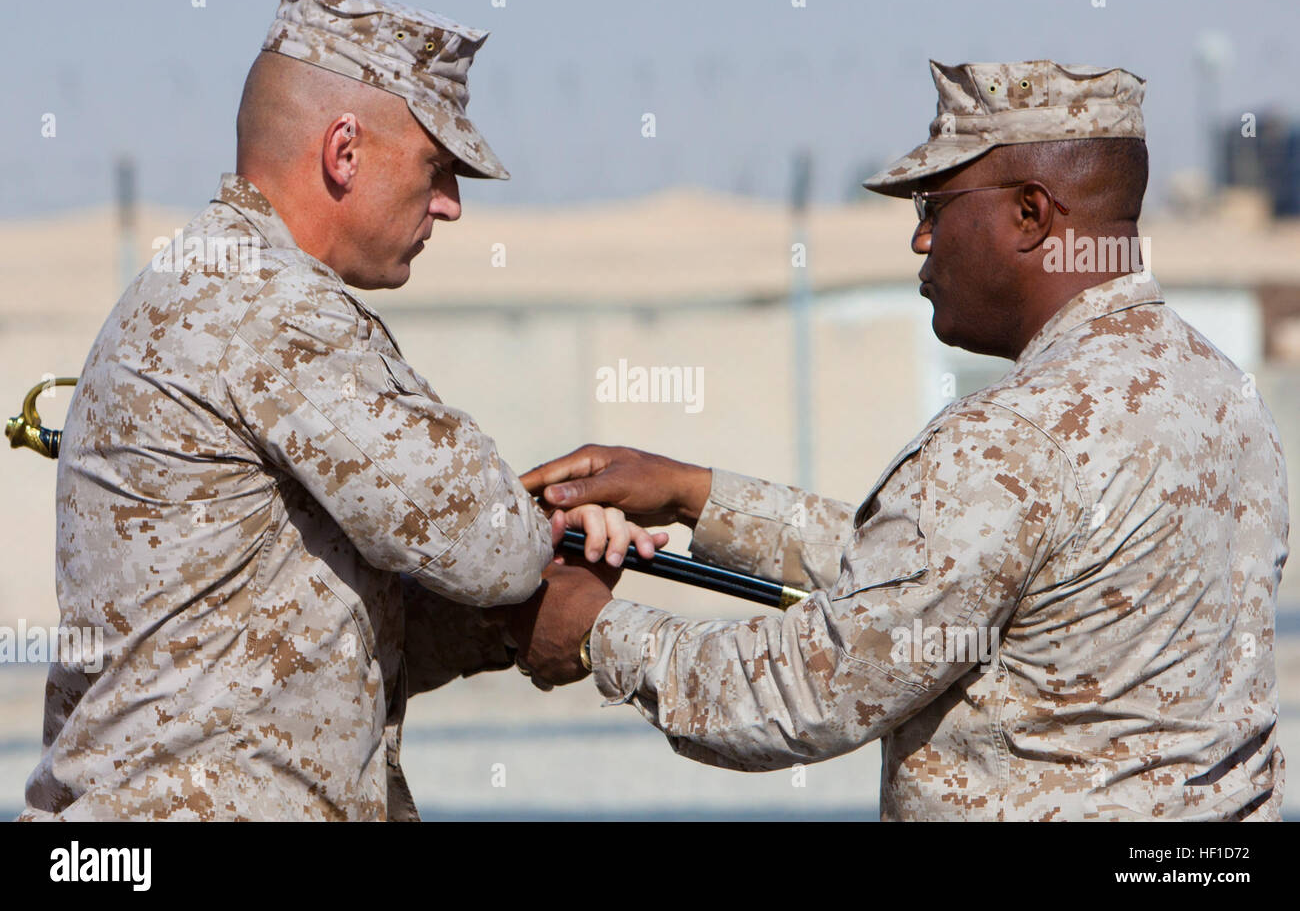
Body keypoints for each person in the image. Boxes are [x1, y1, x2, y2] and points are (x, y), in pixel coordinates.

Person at [513, 60, 1289, 820]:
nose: (921, 241)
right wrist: (698, 496)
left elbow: (816, 688)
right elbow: (953, 577)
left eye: (934, 205)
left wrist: (595, 633)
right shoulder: (1220, 394)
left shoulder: (1012, 435)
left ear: (1031, 214)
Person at [21, 0, 661, 822]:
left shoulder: (205, 282)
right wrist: (541, 532)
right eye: (437, 170)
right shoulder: (274, 309)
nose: (451, 206)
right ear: (344, 151)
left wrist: (526, 592)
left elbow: (314, 639)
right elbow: (486, 545)